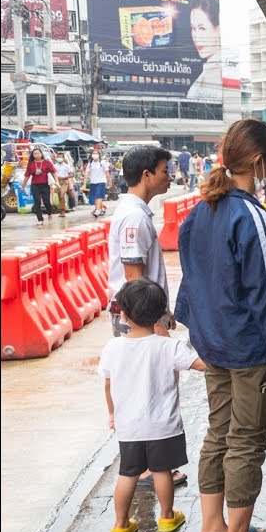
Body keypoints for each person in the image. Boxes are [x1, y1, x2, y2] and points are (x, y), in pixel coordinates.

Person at [175, 117, 266, 532]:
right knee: (247, 442)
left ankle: (213, 529)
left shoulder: (197, 214)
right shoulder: (253, 216)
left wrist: (200, 337)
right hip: (250, 353)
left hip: (213, 347)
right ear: (260, 162)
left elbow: (188, 290)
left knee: (219, 434)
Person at [106, 145, 188, 488]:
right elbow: (133, 277)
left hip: (142, 315)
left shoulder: (137, 211)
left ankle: (149, 465)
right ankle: (144, 467)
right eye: (165, 169)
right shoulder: (134, 217)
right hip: (138, 317)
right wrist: (153, 324)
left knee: (146, 390)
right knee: (145, 390)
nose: (170, 175)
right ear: (146, 175)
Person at [100, 278, 206, 532]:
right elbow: (203, 365)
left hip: (129, 426)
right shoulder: (169, 347)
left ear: (123, 315)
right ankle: (167, 517)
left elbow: (108, 385)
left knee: (128, 474)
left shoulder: (113, 347)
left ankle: (121, 525)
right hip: (163, 426)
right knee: (162, 472)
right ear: (161, 314)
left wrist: (113, 414)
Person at [186, 0, 223, 102]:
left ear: (217, 30)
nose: (196, 37)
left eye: (202, 28)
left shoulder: (217, 70)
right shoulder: (208, 69)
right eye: (193, 28)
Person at [25, 147, 57, 227]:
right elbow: (27, 176)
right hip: (35, 185)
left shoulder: (47, 162)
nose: (36, 155)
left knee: (46, 202)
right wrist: (23, 186)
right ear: (32, 155)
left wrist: (56, 181)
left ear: (41, 154)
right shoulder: (31, 164)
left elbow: (54, 172)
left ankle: (49, 213)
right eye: (34, 154)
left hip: (45, 184)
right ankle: (40, 219)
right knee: (37, 202)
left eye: (38, 153)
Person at [86, 152, 111, 217]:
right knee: (95, 197)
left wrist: (109, 182)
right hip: (93, 182)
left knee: (98, 196)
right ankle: (102, 207)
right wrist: (85, 181)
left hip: (101, 181)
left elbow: (107, 172)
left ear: (99, 155)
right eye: (93, 153)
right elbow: (87, 172)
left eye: (96, 153)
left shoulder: (102, 163)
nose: (94, 155)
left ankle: (97, 210)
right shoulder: (90, 163)